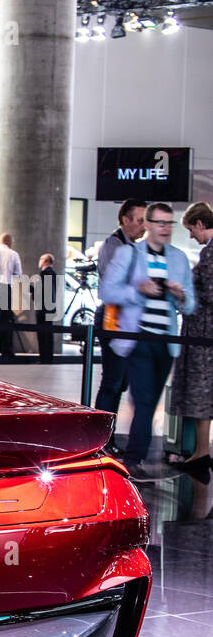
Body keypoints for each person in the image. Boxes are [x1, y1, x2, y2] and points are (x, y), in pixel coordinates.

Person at [99, 202, 196, 479]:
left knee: (150, 402)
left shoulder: (178, 259)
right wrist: (137, 288)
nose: (165, 228)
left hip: (165, 341)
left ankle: (135, 456)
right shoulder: (128, 253)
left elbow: (190, 305)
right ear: (149, 225)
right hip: (137, 337)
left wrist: (180, 296)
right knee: (140, 399)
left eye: (169, 223)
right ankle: (133, 459)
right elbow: (107, 291)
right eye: (159, 222)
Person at [166, 201, 213, 482]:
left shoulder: (210, 254)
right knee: (203, 393)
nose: (192, 236)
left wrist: (181, 290)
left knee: (201, 391)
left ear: (199, 224)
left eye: (191, 230)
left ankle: (201, 452)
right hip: (204, 331)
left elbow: (208, 293)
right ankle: (200, 450)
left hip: (203, 334)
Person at [94, 198, 148, 427]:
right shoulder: (114, 245)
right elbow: (114, 286)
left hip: (125, 321)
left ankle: (108, 435)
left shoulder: (131, 246)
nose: (144, 226)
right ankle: (100, 436)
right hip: (112, 319)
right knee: (112, 382)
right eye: (140, 220)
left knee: (120, 382)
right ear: (125, 220)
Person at [35, 253, 58, 364]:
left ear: (46, 261)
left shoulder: (44, 273)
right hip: (50, 307)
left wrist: (31, 289)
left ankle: (43, 358)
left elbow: (41, 292)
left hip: (43, 308)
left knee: (42, 335)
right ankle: (48, 358)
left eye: (41, 259)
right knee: (48, 334)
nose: (40, 261)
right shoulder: (53, 273)